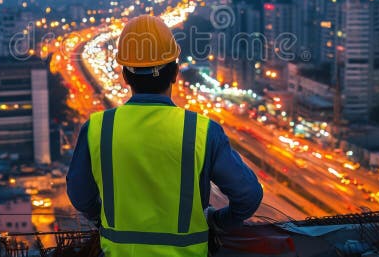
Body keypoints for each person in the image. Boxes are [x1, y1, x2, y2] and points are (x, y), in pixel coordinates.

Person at [67, 14, 263, 257]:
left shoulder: (98, 128)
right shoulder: (201, 131)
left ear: (126, 76)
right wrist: (217, 221)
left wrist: (104, 219)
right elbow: (248, 196)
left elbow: (80, 195)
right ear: (175, 73)